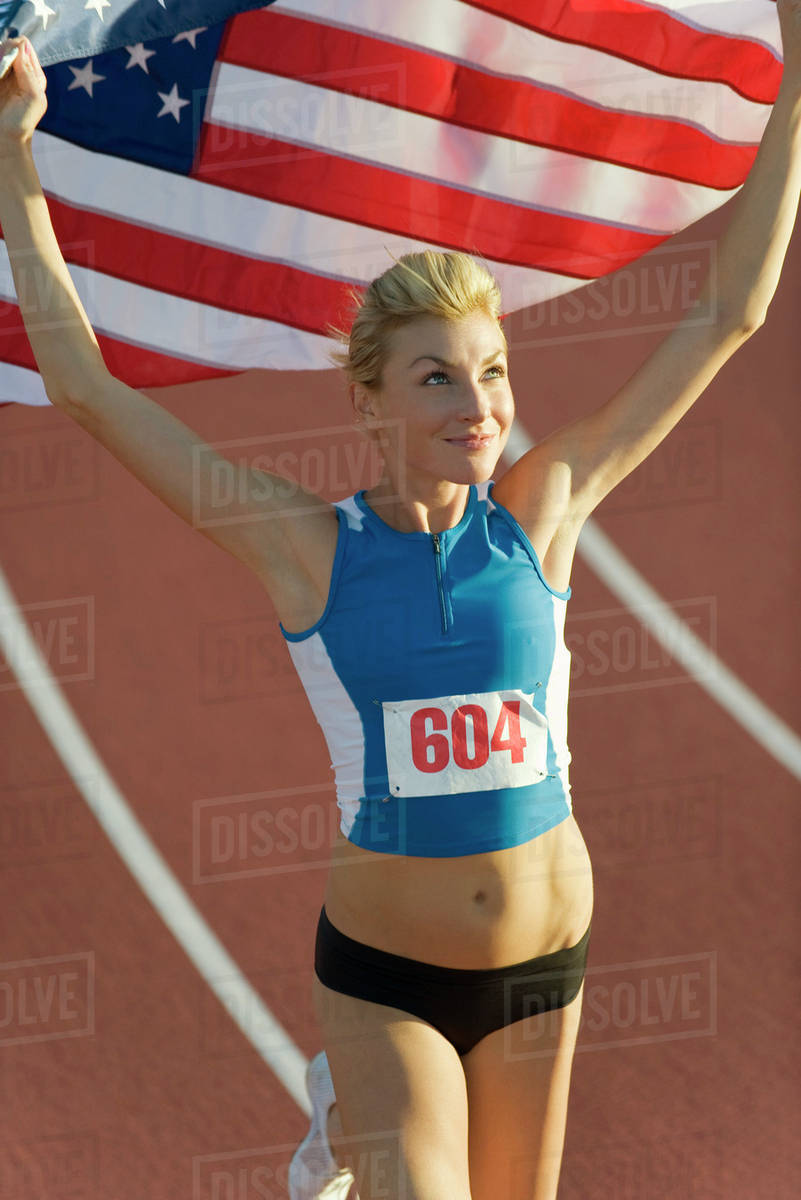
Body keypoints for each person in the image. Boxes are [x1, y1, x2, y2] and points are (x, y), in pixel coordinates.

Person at [1, 7, 800, 1194]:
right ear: (369, 405)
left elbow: (728, 315)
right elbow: (90, 394)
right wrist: (15, 152)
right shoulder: (307, 549)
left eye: (491, 372)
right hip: (388, 978)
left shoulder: (546, 512)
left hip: (543, 971)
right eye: (437, 378)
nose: (477, 404)